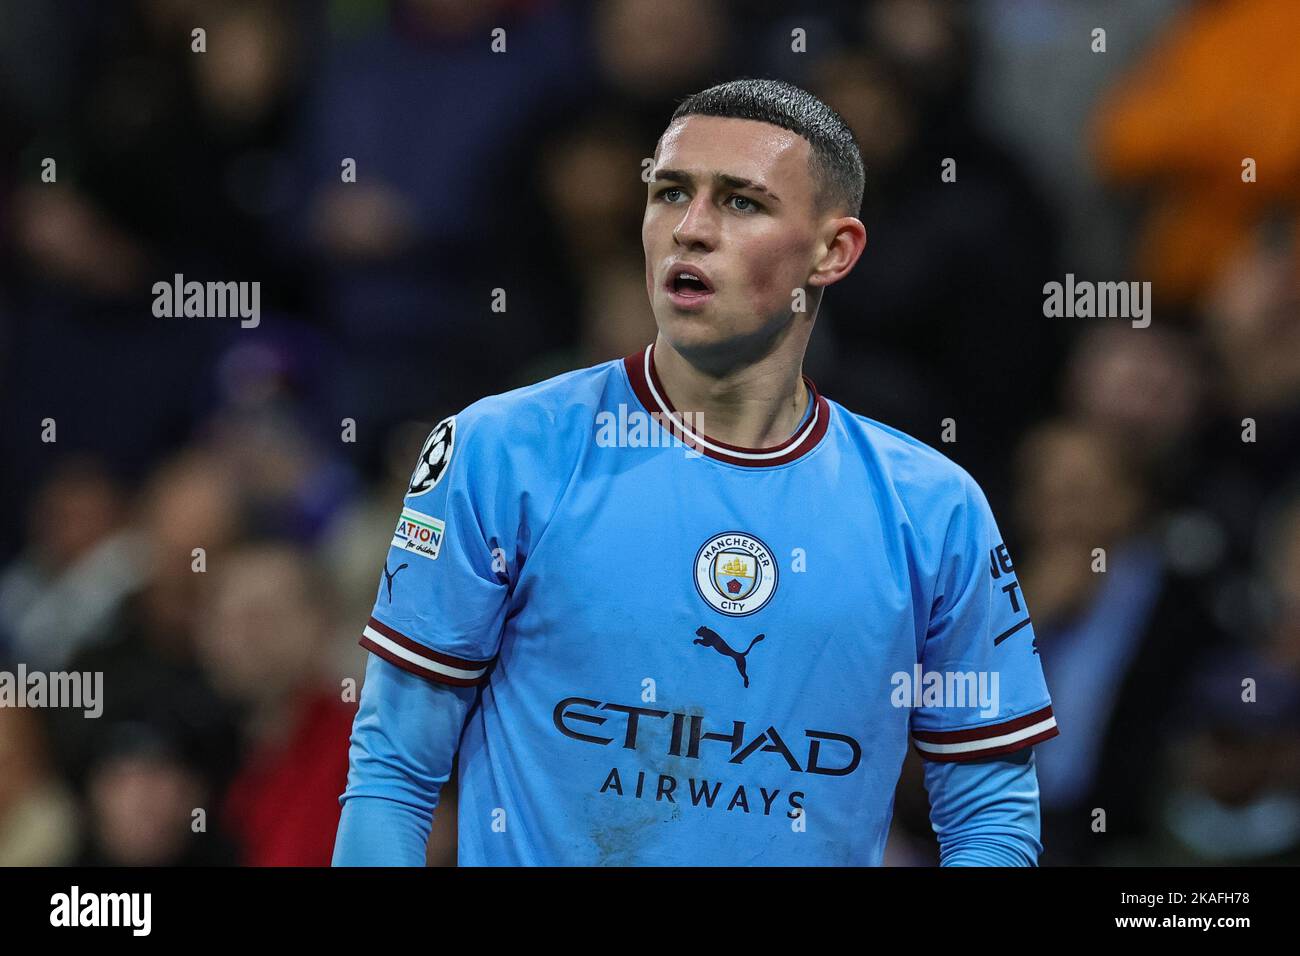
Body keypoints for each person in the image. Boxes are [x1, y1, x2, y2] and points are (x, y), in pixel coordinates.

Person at [332, 78, 1059, 866]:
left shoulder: (936, 510)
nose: (691, 228)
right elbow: (394, 771)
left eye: (741, 202)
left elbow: (991, 820)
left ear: (833, 251)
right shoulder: (502, 451)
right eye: (670, 192)